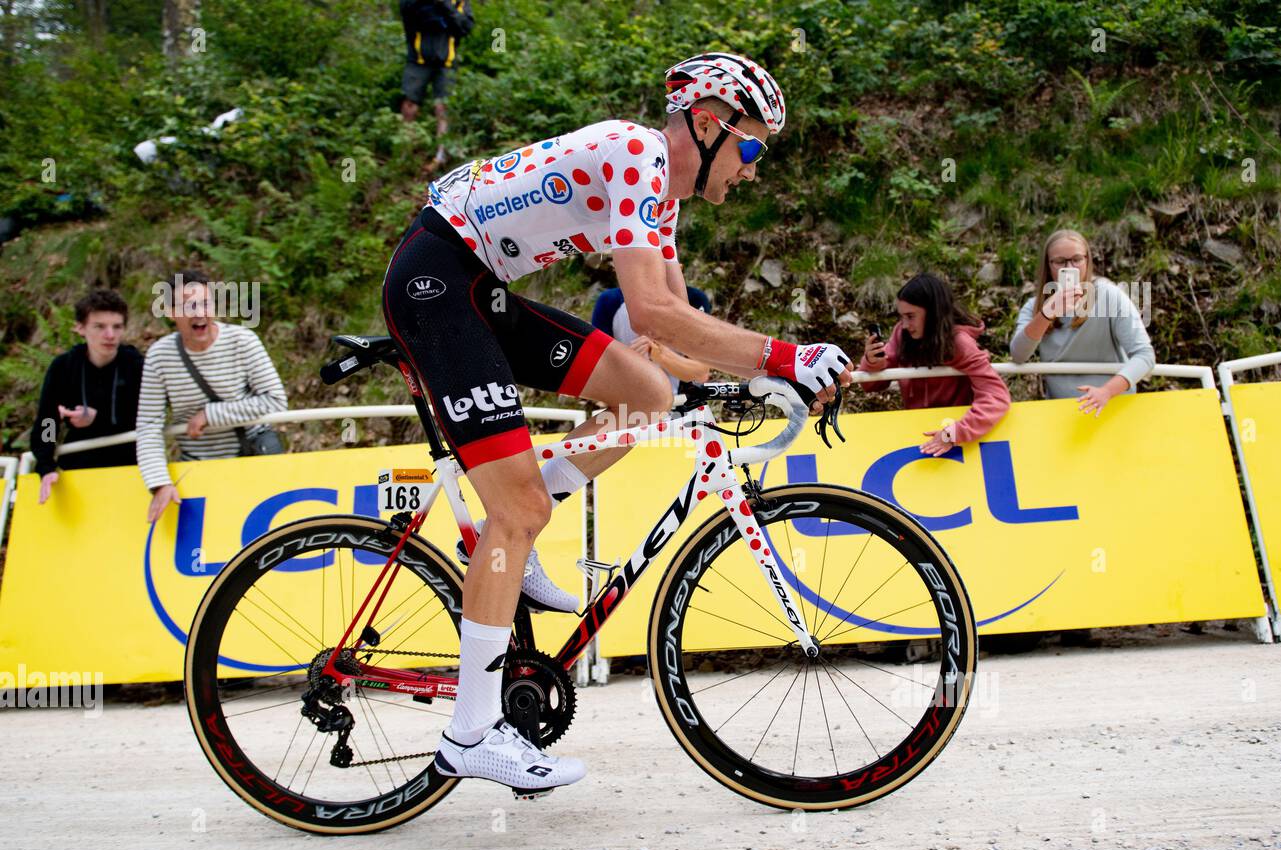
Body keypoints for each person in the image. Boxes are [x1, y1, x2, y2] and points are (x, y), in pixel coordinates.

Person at [383, 52, 851, 794]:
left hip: (476, 286)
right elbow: (662, 313)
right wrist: (788, 353)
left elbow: (666, 326)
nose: (754, 169)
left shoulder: (658, 193)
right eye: (754, 147)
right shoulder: (637, 155)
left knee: (645, 390)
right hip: (437, 284)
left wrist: (762, 372)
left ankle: (515, 528)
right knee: (519, 509)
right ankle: (470, 732)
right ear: (706, 124)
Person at [136, 271, 288, 523]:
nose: (199, 312)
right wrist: (159, 483)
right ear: (171, 312)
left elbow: (275, 399)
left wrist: (211, 415)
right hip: (197, 466)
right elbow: (148, 424)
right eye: (187, 306)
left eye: (205, 303)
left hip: (252, 455)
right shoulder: (159, 356)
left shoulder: (242, 340)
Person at [858, 273, 1010, 455]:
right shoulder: (902, 334)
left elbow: (996, 397)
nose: (905, 325)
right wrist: (873, 363)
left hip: (959, 440)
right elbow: (870, 385)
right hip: (918, 434)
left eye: (910, 316)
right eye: (902, 317)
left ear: (933, 314)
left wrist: (953, 433)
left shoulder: (960, 343)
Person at [1009, 229, 1156, 415]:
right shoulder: (1034, 307)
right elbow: (1018, 355)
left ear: (1087, 261)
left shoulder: (1110, 295)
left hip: (1114, 409)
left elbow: (1145, 355)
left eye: (1076, 259)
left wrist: (1106, 392)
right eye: (1060, 262)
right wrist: (1046, 314)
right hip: (1061, 412)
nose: (1069, 267)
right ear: (1048, 265)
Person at [31, 288, 144, 504]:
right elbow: (47, 421)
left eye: (117, 327)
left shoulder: (136, 366)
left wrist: (96, 418)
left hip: (129, 470)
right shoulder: (64, 367)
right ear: (80, 328)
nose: (110, 335)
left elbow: (148, 417)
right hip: (78, 471)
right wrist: (45, 466)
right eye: (99, 327)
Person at [591, 285, 712, 392]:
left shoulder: (693, 300)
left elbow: (700, 374)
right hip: (629, 403)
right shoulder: (609, 302)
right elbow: (597, 375)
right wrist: (627, 363)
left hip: (679, 404)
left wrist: (661, 355)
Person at [398, 0, 474, 167]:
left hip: (447, 60)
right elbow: (406, 14)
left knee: (443, 106)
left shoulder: (458, 2)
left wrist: (444, 5)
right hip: (418, 59)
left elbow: (465, 27)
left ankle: (441, 155)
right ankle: (404, 153)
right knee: (410, 104)